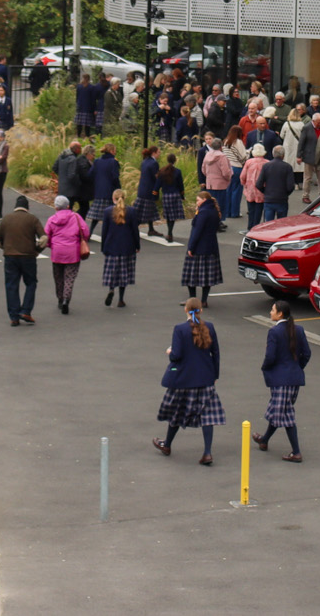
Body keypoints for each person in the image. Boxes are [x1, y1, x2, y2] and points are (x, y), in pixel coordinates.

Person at [155, 298, 224, 466]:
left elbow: (176, 355)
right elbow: (216, 353)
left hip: (184, 379)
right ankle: (207, 452)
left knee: (176, 412)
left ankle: (167, 444)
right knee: (207, 416)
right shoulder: (210, 328)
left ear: (186, 310)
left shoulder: (180, 329)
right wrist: (215, 375)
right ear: (200, 311)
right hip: (205, 378)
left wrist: (170, 352)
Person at [253, 300, 310, 463]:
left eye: (272, 310)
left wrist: (265, 368)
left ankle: (296, 452)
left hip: (281, 379)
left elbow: (270, 356)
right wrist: (297, 367)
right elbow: (306, 353)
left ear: (280, 314)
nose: (270, 312)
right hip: (294, 379)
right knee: (281, 410)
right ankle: (264, 440)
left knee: (285, 413)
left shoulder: (274, 332)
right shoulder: (298, 330)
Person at [0, 193, 44, 326]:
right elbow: (44, 238)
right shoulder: (32, 219)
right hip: (28, 256)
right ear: (27, 207)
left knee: (11, 285)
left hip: (10, 256)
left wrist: (5, 248)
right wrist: (37, 250)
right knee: (31, 283)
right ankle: (26, 311)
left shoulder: (6, 219)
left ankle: (14, 316)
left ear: (15, 207)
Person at [44, 194, 91, 314]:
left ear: (56, 207)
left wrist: (52, 246)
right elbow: (85, 232)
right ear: (69, 206)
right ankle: (66, 299)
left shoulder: (51, 220)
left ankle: (60, 299)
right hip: (72, 252)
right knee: (69, 278)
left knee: (58, 277)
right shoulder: (76, 217)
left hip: (57, 252)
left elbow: (46, 236)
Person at [181, 188, 223, 302]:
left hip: (199, 248)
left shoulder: (203, 213)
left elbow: (196, 230)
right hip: (211, 247)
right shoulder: (214, 210)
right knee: (206, 278)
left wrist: (191, 247)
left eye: (198, 200)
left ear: (204, 200)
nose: (197, 202)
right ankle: (204, 300)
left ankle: (192, 299)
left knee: (191, 276)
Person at [100, 188, 140, 308]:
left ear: (113, 198)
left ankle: (111, 289)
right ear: (124, 198)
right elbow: (135, 230)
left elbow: (104, 231)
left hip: (112, 246)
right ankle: (121, 299)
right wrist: (137, 245)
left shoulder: (107, 211)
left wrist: (103, 247)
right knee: (124, 273)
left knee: (113, 270)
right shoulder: (131, 211)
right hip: (127, 247)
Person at [203, 136, 235, 231]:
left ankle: (212, 222)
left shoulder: (207, 155)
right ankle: (218, 222)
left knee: (211, 203)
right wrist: (229, 176)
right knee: (220, 204)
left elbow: (203, 169)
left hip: (210, 183)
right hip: (220, 184)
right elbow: (226, 172)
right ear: (221, 146)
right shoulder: (222, 157)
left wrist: (208, 176)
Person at [153, 153, 186, 242]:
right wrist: (182, 195)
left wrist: (155, 194)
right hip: (175, 195)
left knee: (168, 215)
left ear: (167, 160)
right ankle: (170, 232)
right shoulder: (178, 171)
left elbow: (157, 185)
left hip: (166, 195)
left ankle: (169, 233)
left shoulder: (162, 171)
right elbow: (180, 185)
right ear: (175, 160)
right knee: (173, 215)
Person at [55, 142, 93, 219]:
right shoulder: (73, 159)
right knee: (69, 210)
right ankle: (72, 224)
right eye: (80, 148)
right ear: (76, 149)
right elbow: (72, 175)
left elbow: (55, 168)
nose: (81, 150)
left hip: (62, 188)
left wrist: (62, 176)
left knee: (63, 210)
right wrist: (78, 183)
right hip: (70, 190)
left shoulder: (61, 156)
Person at [259, 145, 295, 223]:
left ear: (273, 154)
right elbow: (290, 186)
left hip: (269, 199)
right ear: (283, 155)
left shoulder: (266, 166)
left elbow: (259, 184)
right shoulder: (288, 167)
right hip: (282, 199)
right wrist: (285, 194)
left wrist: (265, 192)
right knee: (281, 224)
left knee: (268, 224)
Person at [241, 143, 268, 229]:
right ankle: (256, 226)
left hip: (250, 188)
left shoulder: (249, 162)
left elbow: (242, 176)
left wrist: (244, 183)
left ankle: (250, 226)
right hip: (262, 189)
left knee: (251, 209)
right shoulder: (267, 163)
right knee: (259, 209)